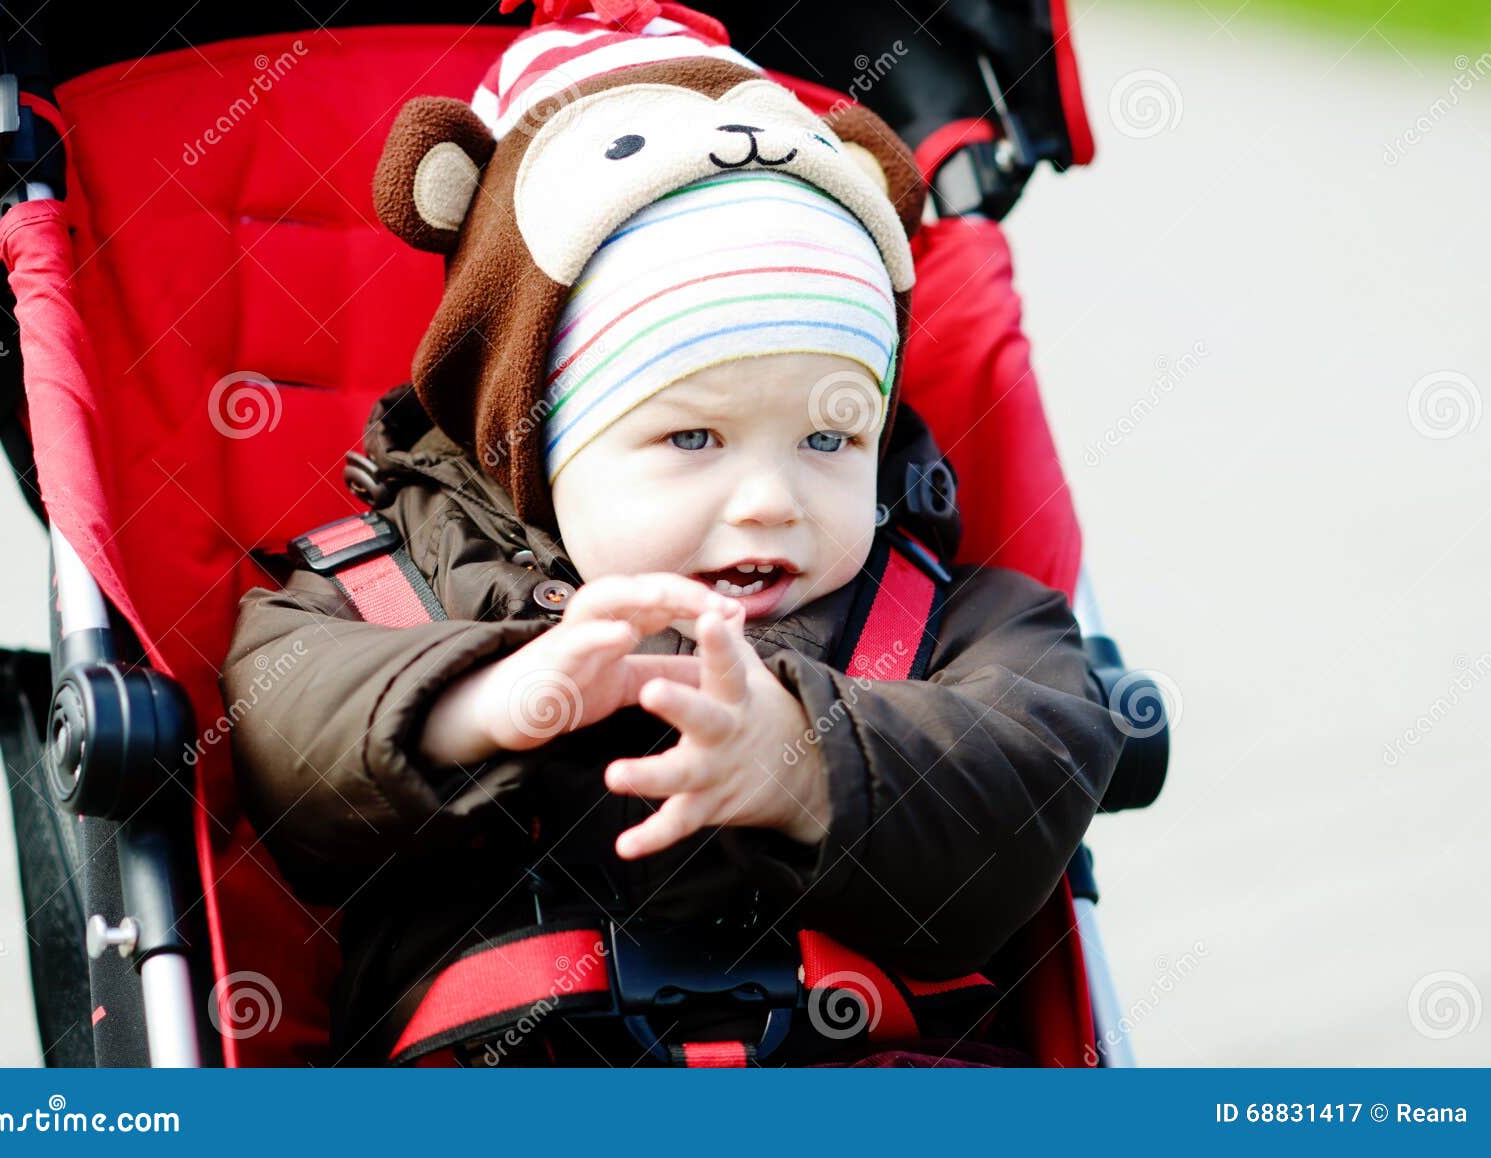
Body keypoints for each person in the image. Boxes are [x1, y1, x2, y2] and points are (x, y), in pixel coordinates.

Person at [222, 0, 1122, 1066]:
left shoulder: (954, 622)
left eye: (830, 439)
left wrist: (803, 762)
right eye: (694, 437)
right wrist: (481, 698)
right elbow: (279, 727)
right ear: (535, 438)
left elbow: (1031, 773)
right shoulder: (388, 586)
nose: (769, 501)